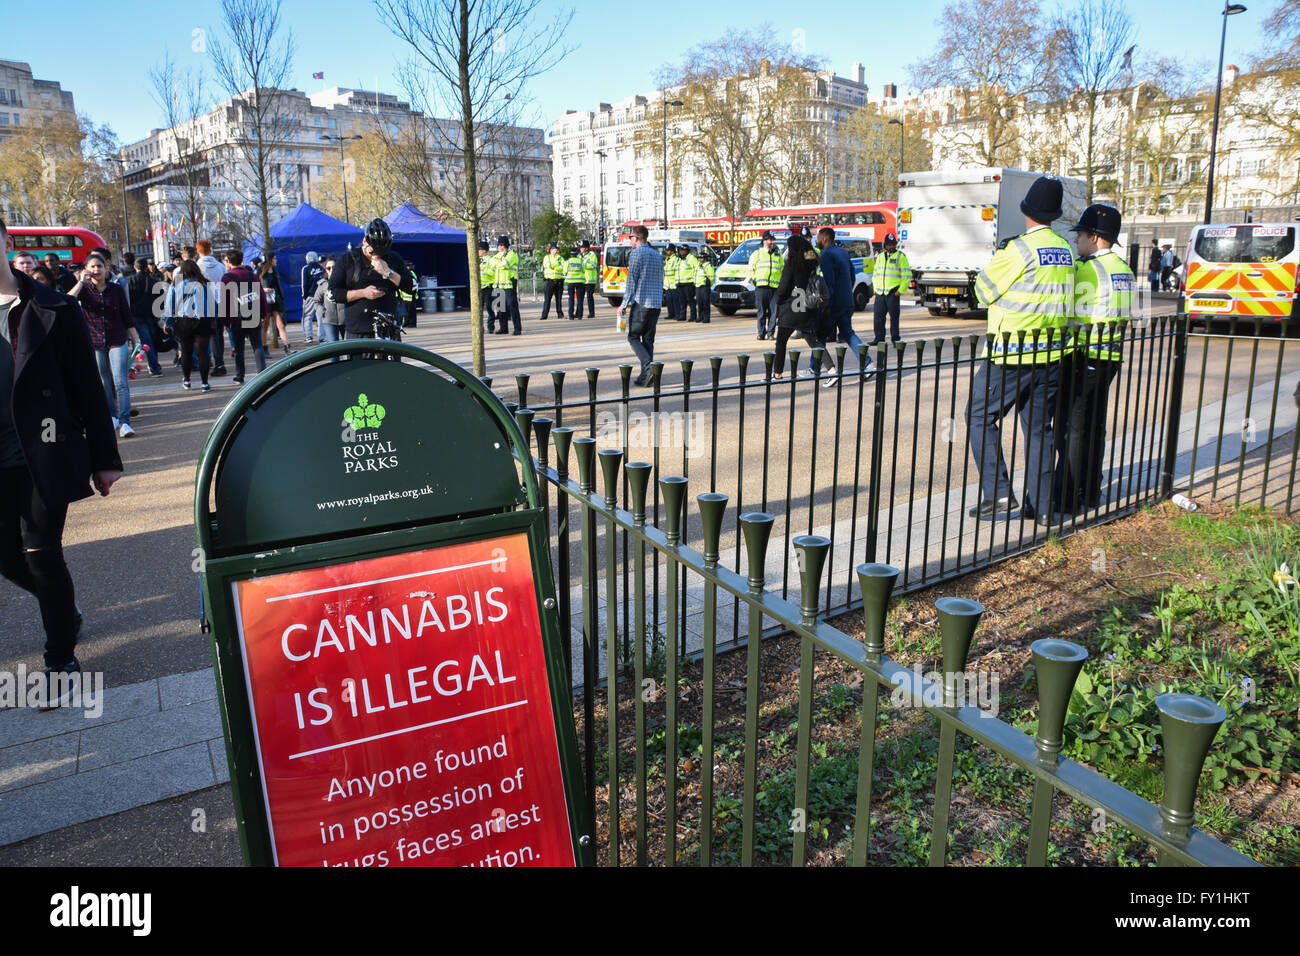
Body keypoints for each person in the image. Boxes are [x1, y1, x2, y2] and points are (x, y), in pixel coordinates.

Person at [0, 217, 122, 706]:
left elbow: (86, 387)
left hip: (41, 454)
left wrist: (104, 457)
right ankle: (64, 610)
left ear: (7, 243)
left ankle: (59, 659)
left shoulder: (53, 307)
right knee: (8, 557)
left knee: (41, 554)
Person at [964, 175, 1075, 523]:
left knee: (980, 416)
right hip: (1052, 354)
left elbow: (983, 291)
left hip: (1012, 352)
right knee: (1039, 428)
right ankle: (1042, 508)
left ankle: (999, 496)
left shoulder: (1018, 250)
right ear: (1054, 214)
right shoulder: (1067, 250)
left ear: (1026, 210)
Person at [1054, 204, 1132, 513]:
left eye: (1081, 235)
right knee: (1094, 426)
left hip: (1084, 354)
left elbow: (1066, 310)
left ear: (1096, 238)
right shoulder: (1125, 269)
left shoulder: (1086, 269)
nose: (1076, 241)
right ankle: (1090, 491)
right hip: (1110, 356)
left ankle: (1069, 496)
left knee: (1072, 427)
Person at [70, 254, 139, 438]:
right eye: (92, 266)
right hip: (94, 340)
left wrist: (136, 338)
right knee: (104, 381)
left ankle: (125, 422)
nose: (96, 270)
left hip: (117, 338)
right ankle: (112, 416)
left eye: (99, 266)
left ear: (106, 267)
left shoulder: (116, 289)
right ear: (86, 269)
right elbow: (67, 301)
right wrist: (80, 282)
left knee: (121, 382)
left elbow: (127, 315)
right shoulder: (84, 290)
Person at [329, 218, 415, 341]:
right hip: (359, 332)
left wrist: (389, 273)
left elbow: (413, 287)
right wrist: (363, 293)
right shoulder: (348, 260)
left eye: (382, 252)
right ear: (364, 241)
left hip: (389, 330)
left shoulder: (393, 259)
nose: (377, 255)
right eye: (373, 251)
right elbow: (331, 294)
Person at [771, 230, 835, 379]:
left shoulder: (791, 264)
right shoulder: (812, 262)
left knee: (781, 342)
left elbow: (783, 287)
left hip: (792, 306)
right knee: (813, 341)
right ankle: (832, 369)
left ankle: (778, 373)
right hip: (807, 306)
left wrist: (779, 300)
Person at [616, 225, 663, 387]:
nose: (630, 242)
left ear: (636, 238)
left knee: (633, 336)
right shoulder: (657, 255)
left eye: (631, 238)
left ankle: (649, 368)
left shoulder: (636, 253)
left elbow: (631, 281)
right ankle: (647, 376)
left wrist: (623, 304)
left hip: (642, 302)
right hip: (656, 303)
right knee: (648, 339)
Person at [165, 259, 218, 392]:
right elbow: (212, 303)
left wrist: (168, 321)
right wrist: (214, 318)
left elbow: (170, 304)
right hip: (203, 320)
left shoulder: (176, 283)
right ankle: (204, 383)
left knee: (186, 352)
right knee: (203, 353)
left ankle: (187, 380)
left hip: (184, 320)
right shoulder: (204, 283)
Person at [817, 227, 865, 371]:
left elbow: (829, 282)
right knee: (848, 333)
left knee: (820, 335)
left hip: (834, 303)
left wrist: (826, 304)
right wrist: (846, 293)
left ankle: (814, 367)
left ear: (825, 239)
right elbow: (852, 275)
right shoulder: (843, 252)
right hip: (847, 300)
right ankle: (867, 363)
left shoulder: (826, 255)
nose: (817, 240)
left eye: (818, 237)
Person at [220, 249, 268, 386]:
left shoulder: (226, 278)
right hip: (253, 314)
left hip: (236, 318)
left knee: (239, 348)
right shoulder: (252, 275)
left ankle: (239, 376)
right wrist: (263, 313)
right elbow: (261, 296)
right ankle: (262, 374)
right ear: (242, 260)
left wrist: (226, 322)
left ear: (228, 262)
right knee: (257, 345)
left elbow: (225, 302)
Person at [870, 232, 910, 345]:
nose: (891, 247)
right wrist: (875, 288)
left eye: (893, 244)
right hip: (880, 292)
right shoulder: (880, 256)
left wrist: (900, 290)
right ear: (885, 245)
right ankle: (879, 338)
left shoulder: (900, 257)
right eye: (889, 244)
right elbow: (876, 273)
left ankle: (895, 338)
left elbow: (906, 275)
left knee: (894, 318)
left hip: (893, 292)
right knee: (878, 317)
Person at [195, 239, 228, 375]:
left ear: (198, 250)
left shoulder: (197, 267)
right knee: (218, 333)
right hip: (221, 300)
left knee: (210, 334)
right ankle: (220, 360)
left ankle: (218, 363)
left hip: (206, 302)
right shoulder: (220, 266)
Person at [127, 258, 164, 377]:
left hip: (136, 315)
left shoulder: (129, 281)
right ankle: (154, 364)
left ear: (135, 267)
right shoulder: (153, 281)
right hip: (151, 314)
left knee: (146, 341)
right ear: (146, 267)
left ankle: (154, 366)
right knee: (152, 339)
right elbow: (160, 298)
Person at [750, 231, 783, 339]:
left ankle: (770, 334)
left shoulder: (778, 254)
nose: (772, 242)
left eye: (773, 240)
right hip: (761, 287)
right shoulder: (757, 254)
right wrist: (754, 281)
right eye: (770, 240)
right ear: (764, 241)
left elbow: (782, 269)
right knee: (761, 312)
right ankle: (761, 333)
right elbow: (751, 269)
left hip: (774, 288)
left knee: (774, 312)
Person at [311, 256, 345, 354]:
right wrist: (322, 311)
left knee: (349, 350)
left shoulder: (345, 282)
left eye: (334, 267)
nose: (331, 270)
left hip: (345, 320)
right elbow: (316, 301)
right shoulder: (323, 284)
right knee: (333, 350)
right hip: (329, 321)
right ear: (326, 270)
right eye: (328, 268)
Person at [259, 253, 291, 354]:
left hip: (276, 300)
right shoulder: (260, 271)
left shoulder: (275, 271)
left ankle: (287, 347)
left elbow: (278, 286)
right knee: (265, 325)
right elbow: (254, 286)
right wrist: (263, 290)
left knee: (281, 325)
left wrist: (281, 297)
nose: (276, 260)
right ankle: (264, 349)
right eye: (274, 258)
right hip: (265, 301)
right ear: (270, 260)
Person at [491, 235, 521, 335]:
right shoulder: (497, 255)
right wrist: (497, 263)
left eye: (500, 245)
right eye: (498, 245)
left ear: (504, 245)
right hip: (498, 284)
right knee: (500, 308)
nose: (498, 247)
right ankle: (503, 328)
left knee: (512, 306)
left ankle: (517, 328)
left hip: (509, 284)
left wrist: (497, 263)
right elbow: (491, 265)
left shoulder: (512, 254)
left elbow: (504, 265)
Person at [300, 251, 326, 344]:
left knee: (307, 316)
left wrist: (304, 296)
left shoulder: (305, 269)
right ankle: (322, 338)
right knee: (321, 317)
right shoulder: (322, 268)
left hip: (310, 296)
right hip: (321, 296)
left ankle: (309, 336)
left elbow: (304, 284)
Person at [540, 241, 565, 320]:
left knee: (559, 299)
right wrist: (557, 265)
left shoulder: (560, 258)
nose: (555, 250)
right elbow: (547, 265)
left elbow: (563, 266)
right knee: (547, 299)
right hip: (549, 281)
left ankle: (560, 314)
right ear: (550, 249)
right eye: (554, 249)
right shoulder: (547, 257)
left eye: (556, 249)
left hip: (559, 281)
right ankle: (544, 315)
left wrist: (554, 267)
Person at [691, 245, 714, 323]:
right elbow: (695, 275)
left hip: (704, 286)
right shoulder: (697, 266)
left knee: (705, 303)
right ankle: (700, 317)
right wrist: (694, 283)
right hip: (698, 286)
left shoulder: (708, 266)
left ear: (705, 258)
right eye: (699, 258)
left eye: (702, 258)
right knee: (699, 303)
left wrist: (708, 284)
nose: (700, 259)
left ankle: (706, 318)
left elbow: (711, 277)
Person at [476, 240, 495, 332]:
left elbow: (493, 272)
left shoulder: (491, 260)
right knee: (478, 308)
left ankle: (490, 327)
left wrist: (484, 269)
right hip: (479, 287)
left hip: (488, 287)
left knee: (489, 307)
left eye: (479, 249)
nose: (478, 251)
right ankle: (479, 328)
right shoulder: (477, 260)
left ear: (484, 250)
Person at [564, 244, 586, 320]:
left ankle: (571, 315)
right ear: (577, 254)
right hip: (580, 281)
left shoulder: (568, 261)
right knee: (580, 299)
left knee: (571, 299)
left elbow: (564, 271)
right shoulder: (580, 261)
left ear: (570, 254)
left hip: (570, 282)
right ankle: (579, 316)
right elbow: (583, 270)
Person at [676, 245, 697, 322]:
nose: (681, 252)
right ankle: (682, 315)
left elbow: (696, 269)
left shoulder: (691, 259)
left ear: (687, 251)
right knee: (682, 301)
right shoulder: (680, 260)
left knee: (691, 301)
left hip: (689, 283)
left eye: (682, 250)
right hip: (680, 284)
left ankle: (693, 316)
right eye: (680, 250)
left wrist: (694, 281)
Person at [662, 243, 681, 320]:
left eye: (669, 250)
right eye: (667, 250)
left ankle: (677, 314)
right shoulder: (667, 259)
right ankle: (671, 314)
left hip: (674, 283)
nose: (667, 252)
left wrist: (677, 282)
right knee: (669, 301)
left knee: (676, 301)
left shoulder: (676, 259)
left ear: (673, 251)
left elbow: (677, 271)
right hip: (667, 284)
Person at [581, 239, 599, 318]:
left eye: (582, 247)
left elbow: (593, 265)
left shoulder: (592, 255)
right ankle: (578, 313)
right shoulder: (579, 255)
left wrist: (583, 266)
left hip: (590, 280)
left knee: (589, 297)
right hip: (582, 279)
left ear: (586, 248)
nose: (581, 249)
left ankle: (592, 313)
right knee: (580, 297)